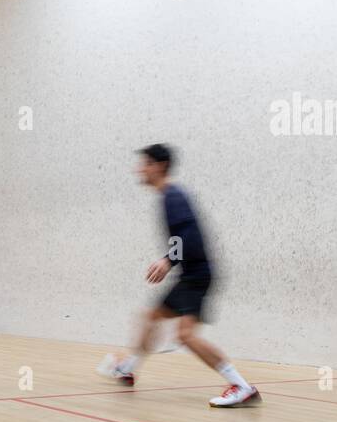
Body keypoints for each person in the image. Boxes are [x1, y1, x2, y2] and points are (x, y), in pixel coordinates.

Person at [97, 144, 261, 408]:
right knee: (152, 317)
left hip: (196, 277)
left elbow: (190, 236)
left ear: (159, 166)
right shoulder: (169, 196)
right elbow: (185, 237)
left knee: (185, 336)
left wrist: (168, 259)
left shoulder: (173, 196)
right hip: (193, 275)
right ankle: (127, 369)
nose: (139, 169)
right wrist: (171, 260)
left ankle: (242, 386)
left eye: (145, 164)